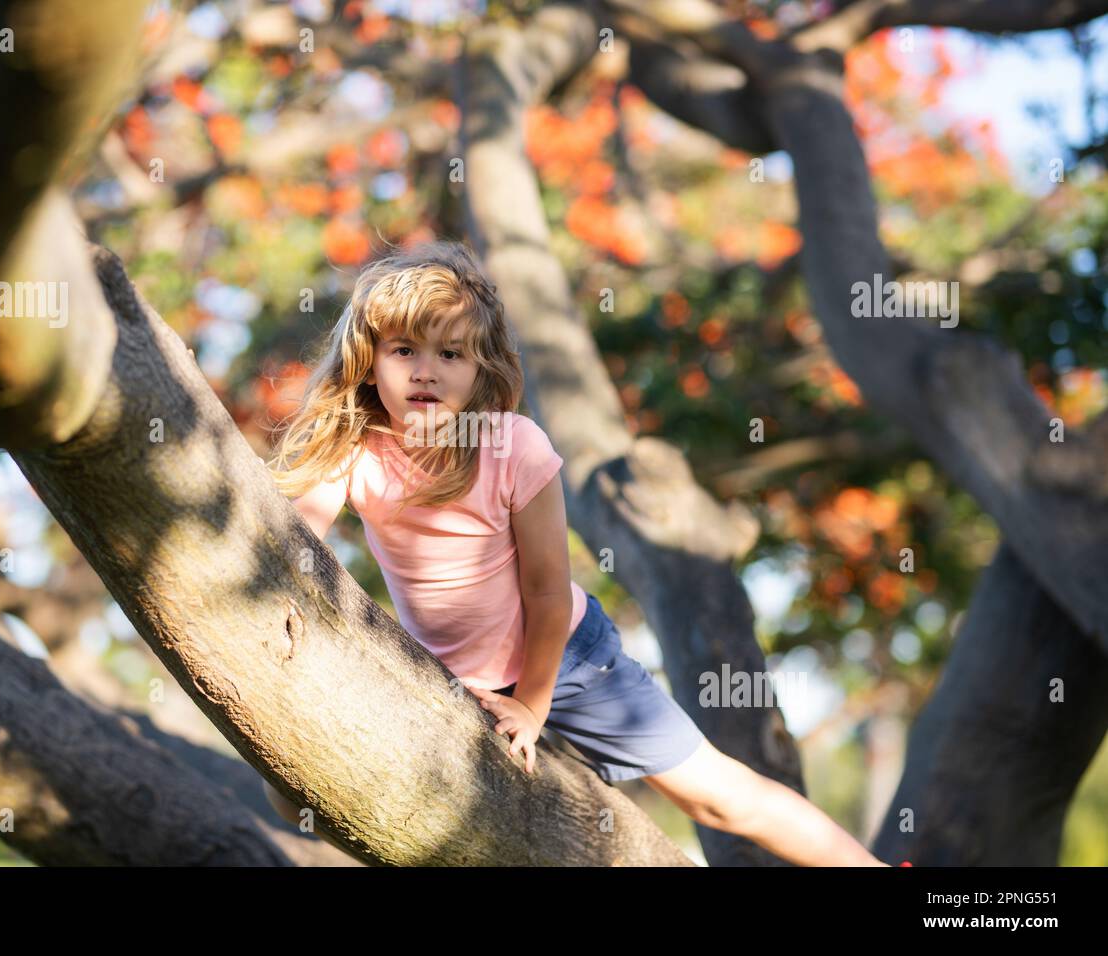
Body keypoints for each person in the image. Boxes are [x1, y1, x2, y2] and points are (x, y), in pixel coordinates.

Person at [265, 239, 889, 866]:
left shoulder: (513, 446)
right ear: (371, 363)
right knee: (299, 801)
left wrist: (533, 706)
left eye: (449, 354)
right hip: (447, 673)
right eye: (404, 351)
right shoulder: (358, 448)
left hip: (568, 659)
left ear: (480, 369)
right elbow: (296, 537)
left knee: (720, 800)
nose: (425, 371)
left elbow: (543, 589)